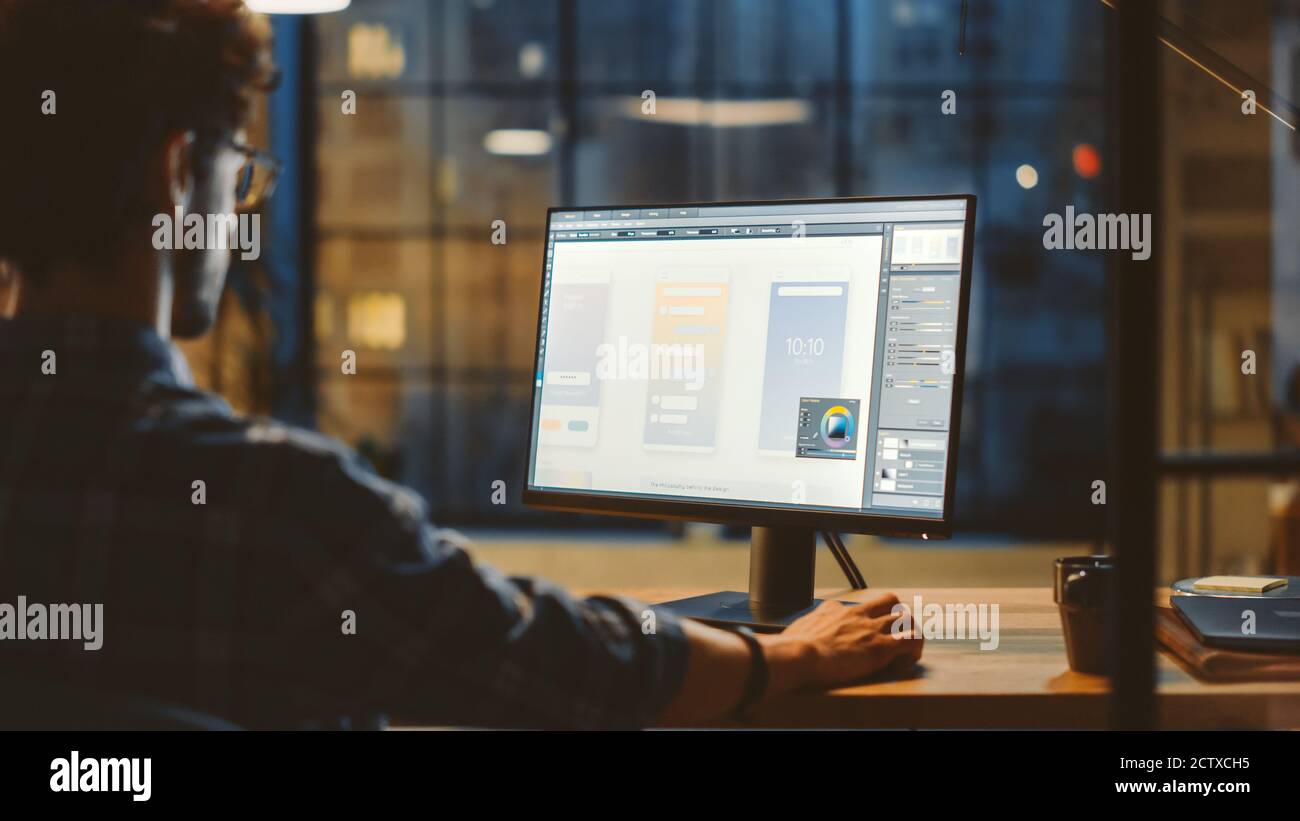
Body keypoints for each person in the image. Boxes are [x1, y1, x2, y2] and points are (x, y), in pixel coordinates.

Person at [0, 0, 921, 729]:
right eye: (239, 174)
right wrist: (793, 658)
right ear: (175, 176)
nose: (241, 211)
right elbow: (548, 661)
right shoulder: (272, 506)